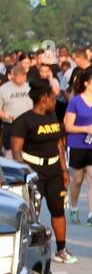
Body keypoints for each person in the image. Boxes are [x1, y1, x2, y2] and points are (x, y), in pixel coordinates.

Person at [10, 82, 75, 263]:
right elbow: (16, 151)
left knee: (58, 210)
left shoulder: (53, 116)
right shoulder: (24, 121)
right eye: (53, 98)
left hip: (54, 171)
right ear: (44, 98)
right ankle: (27, 253)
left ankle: (61, 250)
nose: (55, 101)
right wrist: (24, 175)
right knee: (32, 213)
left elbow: (59, 145)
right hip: (34, 172)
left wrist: (64, 170)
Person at [62, 68, 92, 227]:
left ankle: (91, 214)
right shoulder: (75, 101)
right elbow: (68, 126)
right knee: (77, 180)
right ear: (86, 84)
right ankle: (73, 208)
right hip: (77, 144)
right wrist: (86, 129)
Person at [0, 60, 33, 157]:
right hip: (11, 125)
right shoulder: (3, 89)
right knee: (11, 153)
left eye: (24, 76)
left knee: (28, 151)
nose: (22, 78)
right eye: (19, 76)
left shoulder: (30, 87)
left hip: (29, 125)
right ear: (12, 76)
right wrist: (6, 116)